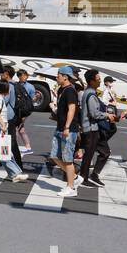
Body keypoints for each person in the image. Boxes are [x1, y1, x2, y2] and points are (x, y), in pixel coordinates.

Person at [77, 69, 117, 187]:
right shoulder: (90, 94)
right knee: (89, 154)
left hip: (94, 128)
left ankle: (92, 175)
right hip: (90, 128)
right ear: (92, 81)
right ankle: (83, 178)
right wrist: (107, 116)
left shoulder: (91, 93)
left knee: (102, 152)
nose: (100, 81)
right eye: (98, 79)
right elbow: (94, 114)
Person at [49, 66, 79, 196]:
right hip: (59, 128)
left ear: (65, 76)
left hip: (68, 129)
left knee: (67, 159)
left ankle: (71, 187)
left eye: (58, 75)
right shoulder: (61, 89)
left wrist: (67, 126)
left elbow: (72, 109)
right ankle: (75, 177)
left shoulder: (70, 91)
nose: (57, 77)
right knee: (54, 156)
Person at [15, 67, 36, 154]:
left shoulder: (30, 87)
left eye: (26, 75)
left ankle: (13, 147)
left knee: (15, 129)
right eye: (23, 76)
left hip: (25, 111)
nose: (25, 77)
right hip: (17, 109)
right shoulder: (16, 85)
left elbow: (32, 100)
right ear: (19, 77)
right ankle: (28, 146)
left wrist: (35, 98)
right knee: (21, 130)